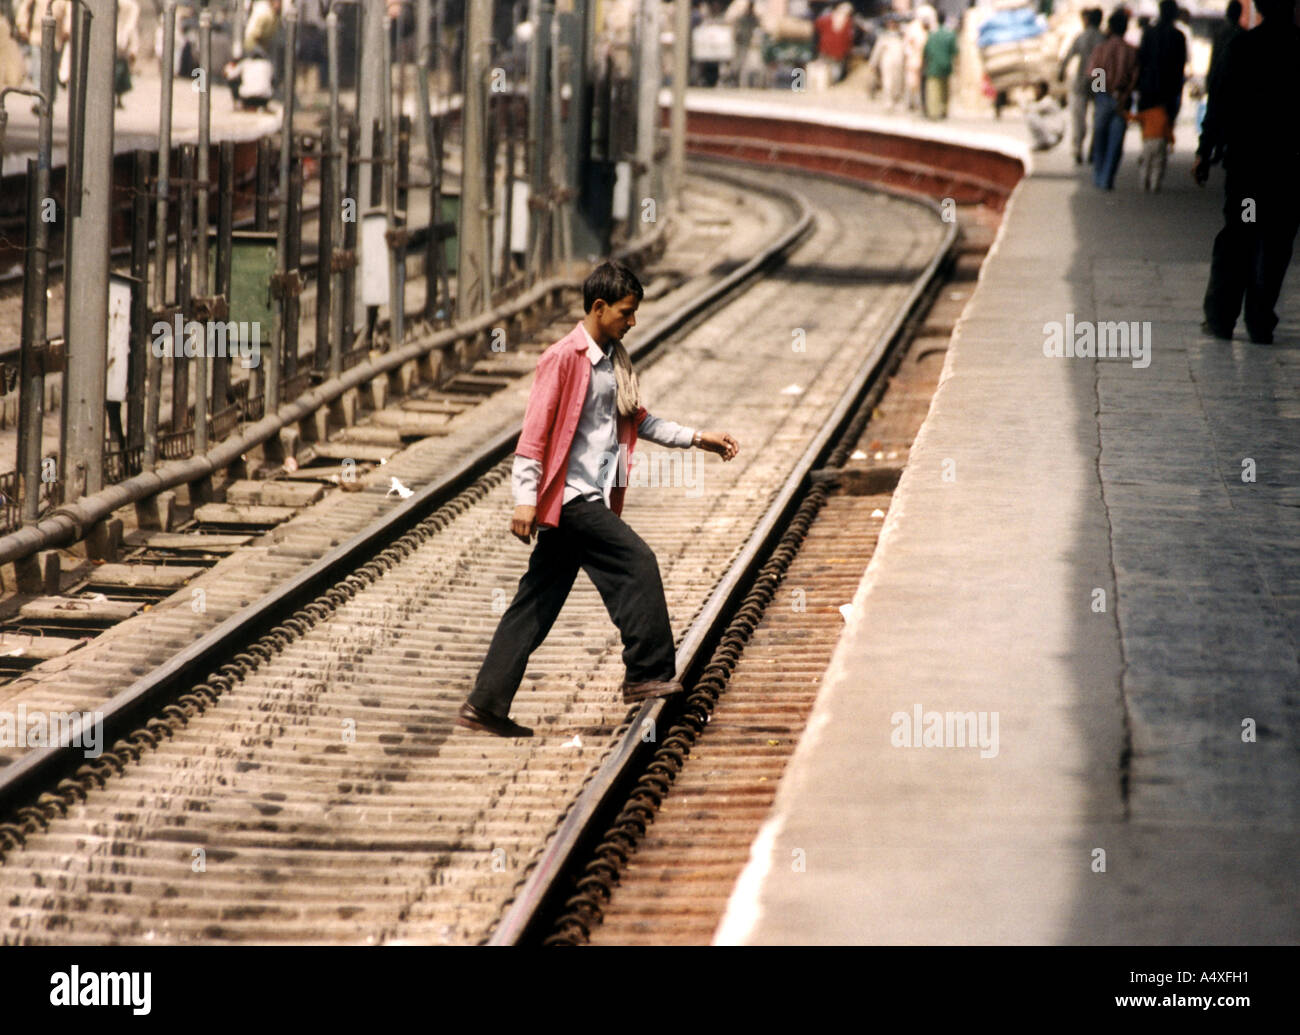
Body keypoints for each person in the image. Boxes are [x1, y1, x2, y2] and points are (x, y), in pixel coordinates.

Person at [458, 262, 742, 738]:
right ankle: (646, 672)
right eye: (626, 313)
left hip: (590, 497)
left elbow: (640, 421)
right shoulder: (563, 358)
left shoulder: (612, 362)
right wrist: (524, 500)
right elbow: (535, 434)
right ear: (598, 307)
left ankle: (485, 704)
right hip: (570, 499)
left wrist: (698, 438)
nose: (632, 322)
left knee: (535, 603)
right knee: (637, 563)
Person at [1193, 0, 1300, 344]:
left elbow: (1219, 101)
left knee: (1242, 233)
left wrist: (1204, 151)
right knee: (1276, 242)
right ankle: (1259, 318)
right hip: (1288, 174)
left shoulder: (1242, 46)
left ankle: (1222, 317)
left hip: (1249, 175)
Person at [1087, 8, 1138, 190]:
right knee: (1115, 141)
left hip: (1103, 96)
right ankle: (1107, 177)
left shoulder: (1101, 49)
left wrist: (1102, 91)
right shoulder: (1132, 51)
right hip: (1122, 98)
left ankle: (1099, 176)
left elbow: (1095, 72)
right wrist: (1123, 94)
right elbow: (1134, 77)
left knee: (1099, 137)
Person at [1057, 7, 1105, 164]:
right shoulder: (1103, 37)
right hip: (1098, 79)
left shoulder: (1082, 36)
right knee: (1097, 116)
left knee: (1079, 118)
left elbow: (1069, 55)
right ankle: (1093, 150)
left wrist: (1061, 71)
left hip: (1082, 80)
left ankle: (1077, 149)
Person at [921, 10, 958, 119]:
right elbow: (954, 52)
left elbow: (926, 51)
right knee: (945, 89)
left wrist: (924, 64)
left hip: (933, 66)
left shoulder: (932, 35)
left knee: (933, 90)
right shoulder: (950, 34)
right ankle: (943, 111)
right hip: (946, 66)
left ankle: (933, 113)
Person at [1205, 0, 1243, 100]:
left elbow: (1213, 60)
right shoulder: (1242, 34)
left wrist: (1209, 82)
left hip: (1218, 82)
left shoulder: (1219, 33)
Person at [1025, 80, 1066, 150]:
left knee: (1031, 117)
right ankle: (1042, 142)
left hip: (1054, 136)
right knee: (1032, 116)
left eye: (1037, 88)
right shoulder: (1045, 100)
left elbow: (1030, 109)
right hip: (1052, 133)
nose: (1035, 91)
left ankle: (1043, 143)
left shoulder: (1048, 100)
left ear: (1043, 90)